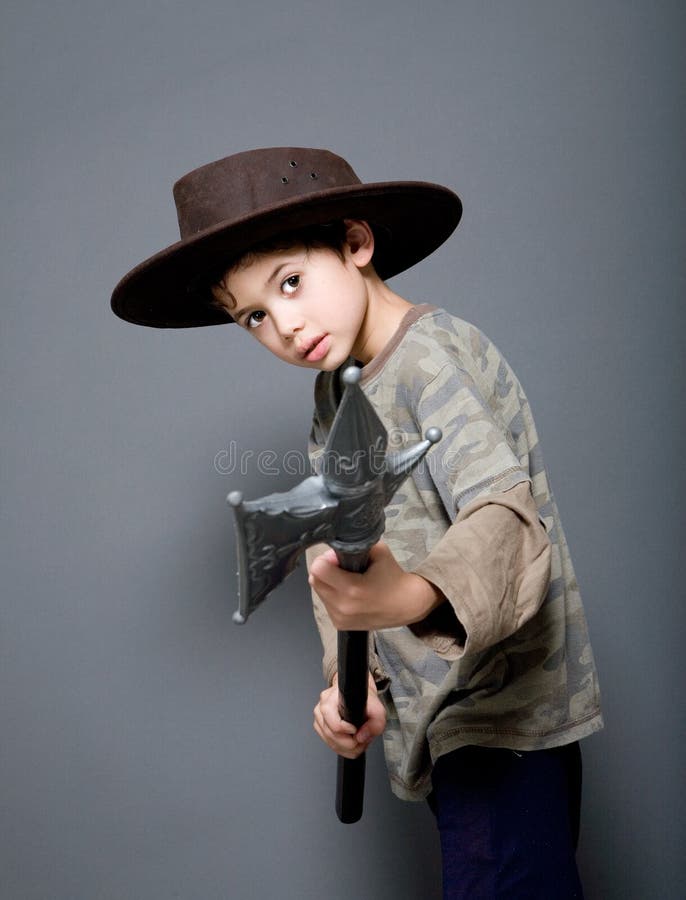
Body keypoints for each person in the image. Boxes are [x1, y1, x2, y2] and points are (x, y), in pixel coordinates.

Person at [111, 147, 603, 899]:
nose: (284, 325)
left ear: (355, 243)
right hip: (444, 729)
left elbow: (505, 518)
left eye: (292, 283)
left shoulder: (430, 360)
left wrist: (411, 597)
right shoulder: (334, 401)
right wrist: (353, 682)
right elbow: (341, 563)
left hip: (502, 724)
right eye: (254, 316)